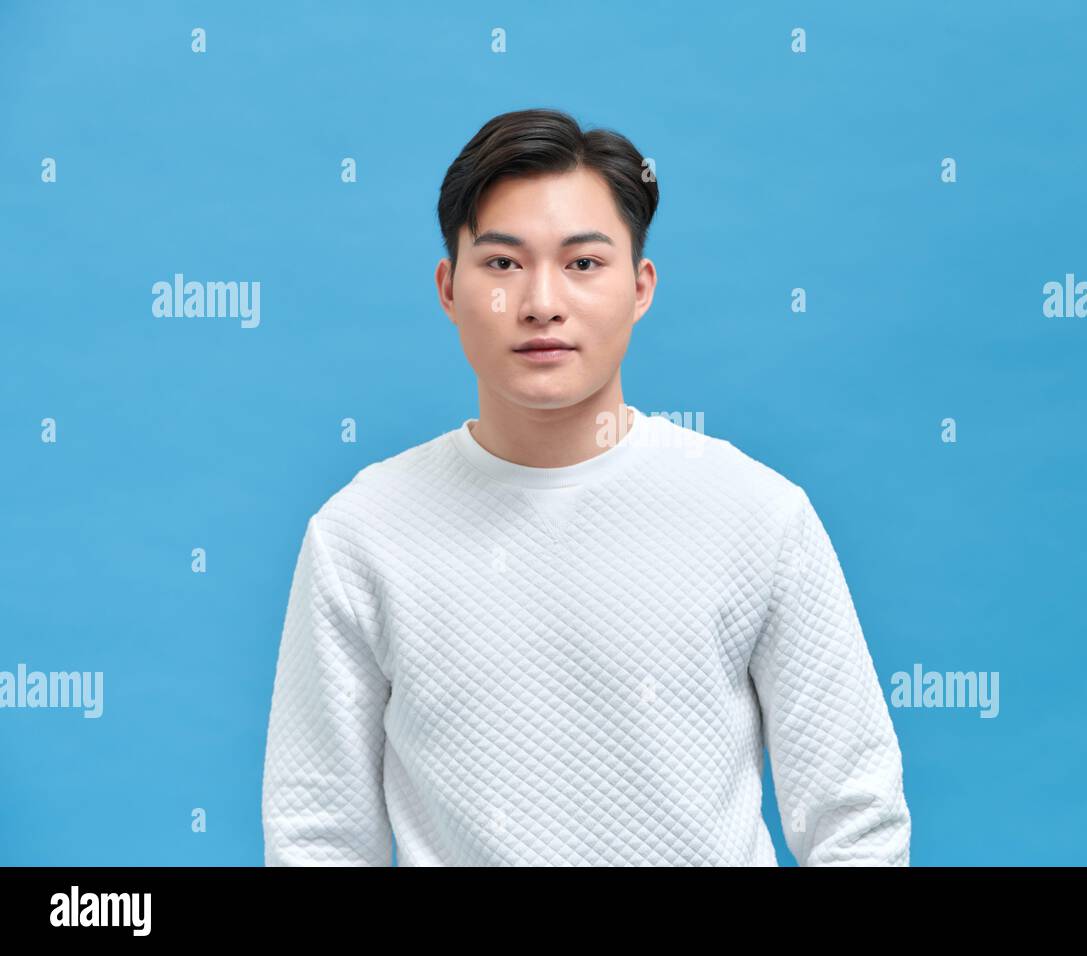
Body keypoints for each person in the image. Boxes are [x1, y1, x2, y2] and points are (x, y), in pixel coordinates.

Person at [261, 107, 911, 866]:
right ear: (447, 288)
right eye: (502, 263)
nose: (541, 302)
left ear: (641, 287)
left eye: (583, 263)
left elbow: (856, 819)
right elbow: (318, 834)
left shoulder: (756, 514)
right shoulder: (361, 533)